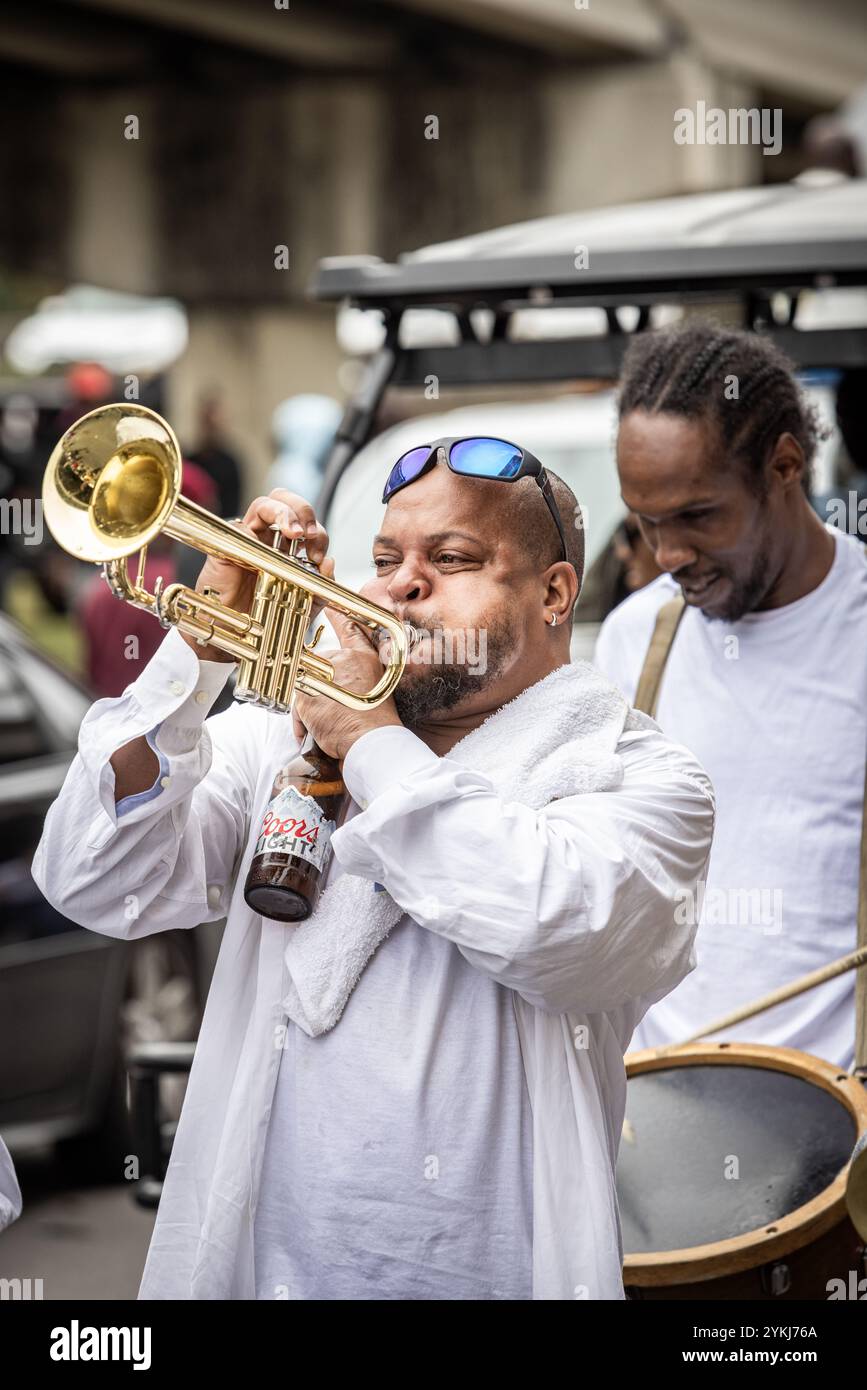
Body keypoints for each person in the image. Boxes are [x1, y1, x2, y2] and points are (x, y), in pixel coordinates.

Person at [32, 438, 714, 1301]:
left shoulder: (643, 776)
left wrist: (368, 742)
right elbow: (89, 877)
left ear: (553, 594)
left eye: (452, 559)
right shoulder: (277, 745)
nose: (401, 584)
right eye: (385, 559)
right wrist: (196, 652)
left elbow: (554, 925)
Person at [595, 322, 867, 1071]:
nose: (668, 555)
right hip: (658, 1113)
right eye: (646, 523)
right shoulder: (633, 637)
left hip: (846, 1131)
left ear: (784, 465)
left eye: (696, 516)